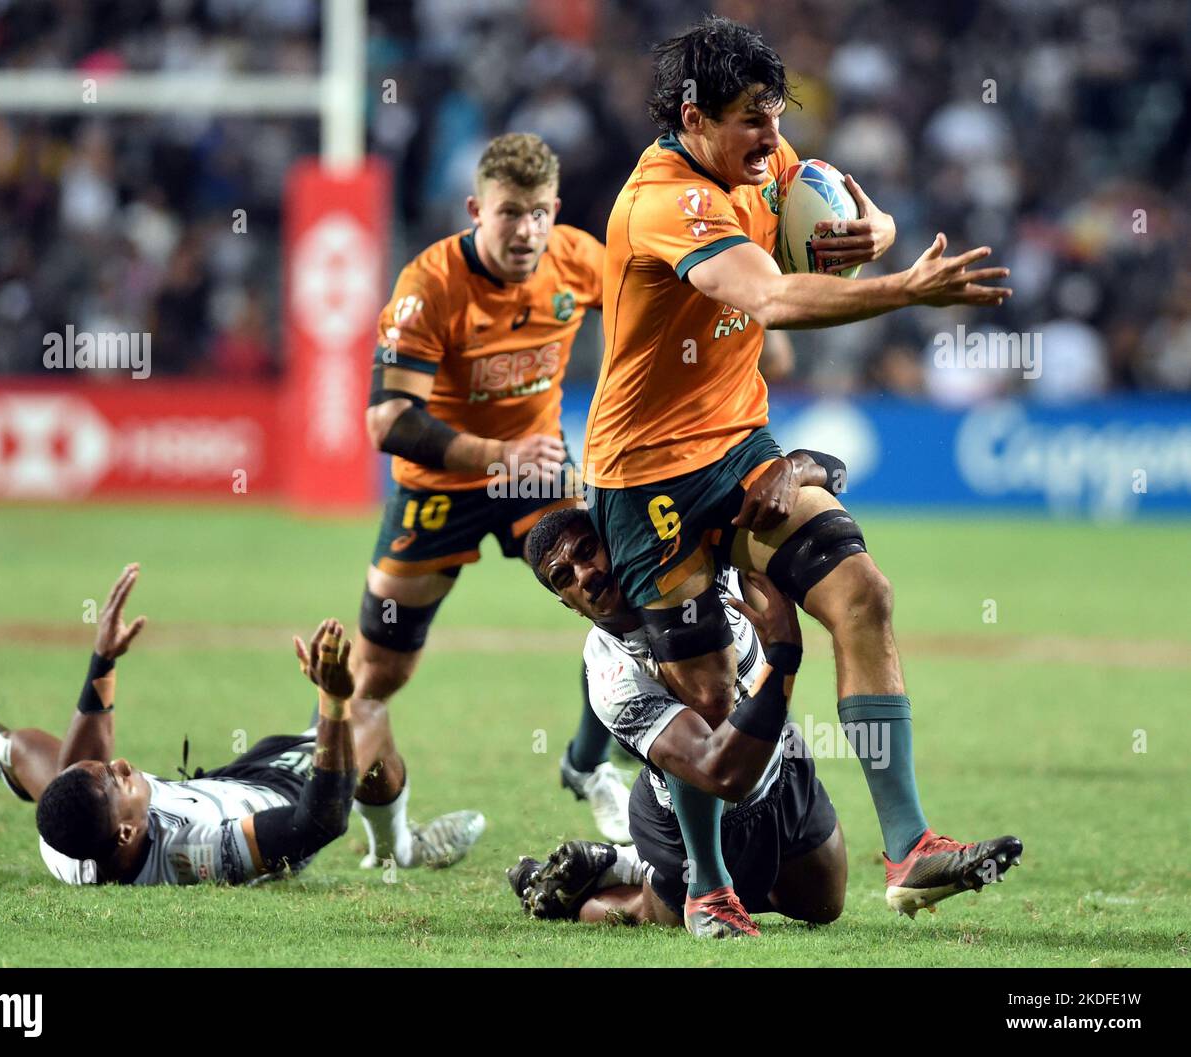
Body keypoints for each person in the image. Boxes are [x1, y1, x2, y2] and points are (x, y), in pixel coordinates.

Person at [582, 14, 1020, 926]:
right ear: (693, 118)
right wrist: (900, 290)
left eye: (777, 114)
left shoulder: (761, 164)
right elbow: (772, 295)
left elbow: (859, 215)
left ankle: (909, 848)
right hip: (645, 477)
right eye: (752, 118)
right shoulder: (663, 200)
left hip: (740, 446)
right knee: (705, 703)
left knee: (862, 593)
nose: (773, 137)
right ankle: (701, 884)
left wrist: (876, 232)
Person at [518, 506, 1021, 935]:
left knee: (821, 908)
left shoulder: (701, 563)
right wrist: (783, 657)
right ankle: (654, 883)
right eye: (565, 577)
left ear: (615, 542)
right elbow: (720, 773)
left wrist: (797, 470)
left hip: (780, 775)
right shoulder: (609, 671)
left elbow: (811, 476)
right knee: (651, 911)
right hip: (684, 821)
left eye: (587, 552)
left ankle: (614, 862)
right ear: (565, 602)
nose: (584, 575)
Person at [357, 131, 629, 863]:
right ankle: (392, 847)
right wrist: (496, 453)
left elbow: (655, 303)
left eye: (539, 213)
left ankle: (588, 762)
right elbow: (387, 419)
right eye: (510, 213)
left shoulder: (576, 257)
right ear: (477, 209)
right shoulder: (430, 283)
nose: (527, 230)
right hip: (439, 484)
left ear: (557, 210)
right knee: (374, 677)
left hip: (537, 473)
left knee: (619, 599)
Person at [0, 564, 482, 884]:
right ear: (129, 832)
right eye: (117, 777)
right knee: (370, 712)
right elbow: (318, 824)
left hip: (206, 785)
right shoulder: (190, 853)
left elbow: (78, 776)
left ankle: (0, 752)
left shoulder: (68, 850)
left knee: (35, 756)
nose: (123, 764)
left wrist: (103, 660)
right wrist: (332, 704)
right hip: (279, 794)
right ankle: (396, 849)